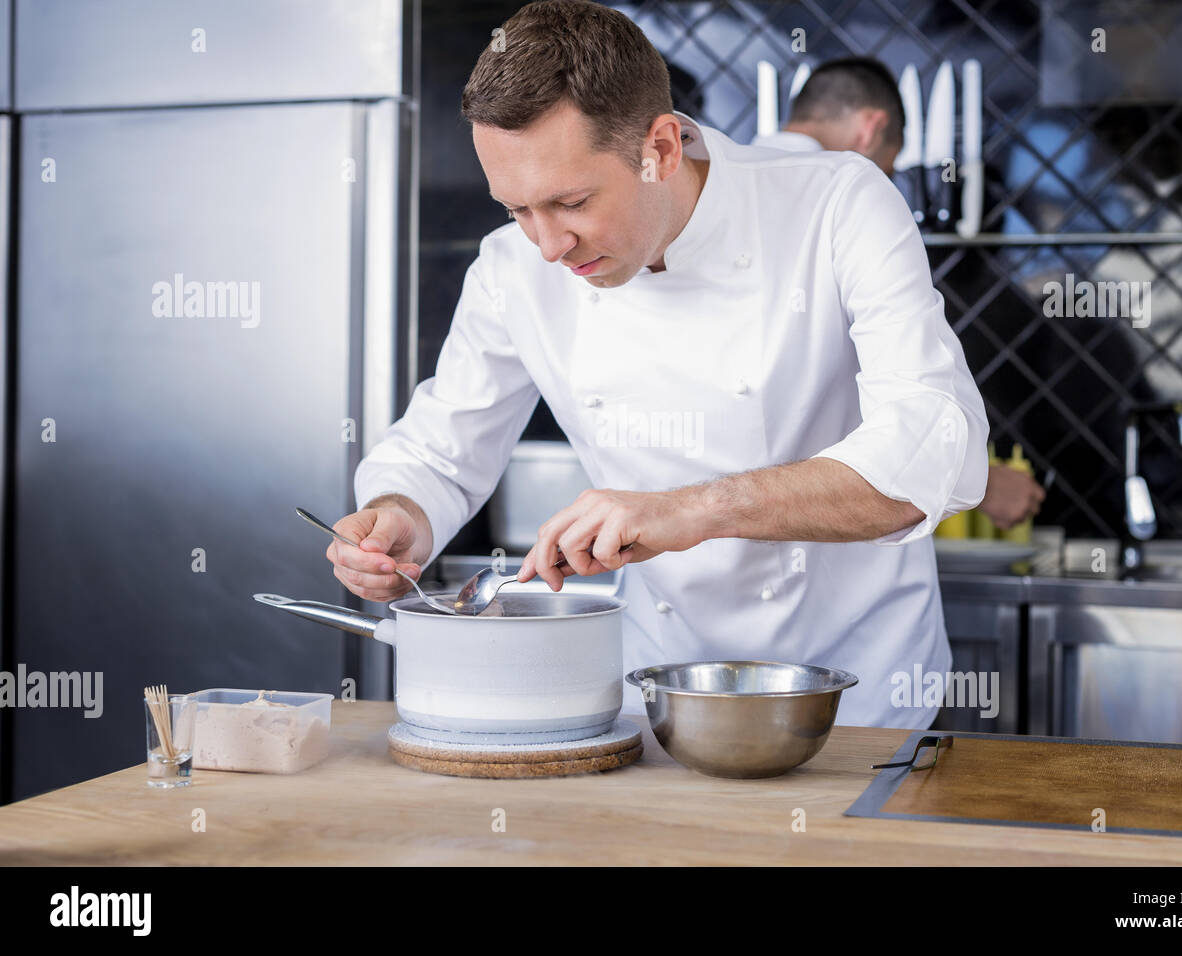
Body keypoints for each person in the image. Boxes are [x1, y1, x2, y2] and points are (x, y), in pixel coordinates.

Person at [329, 1, 990, 729]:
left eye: (571, 201)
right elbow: (440, 453)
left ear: (663, 149)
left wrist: (689, 510)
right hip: (654, 696)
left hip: (855, 699)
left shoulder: (838, 205)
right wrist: (399, 517)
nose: (548, 245)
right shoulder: (510, 270)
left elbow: (931, 451)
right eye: (517, 209)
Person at [754, 56, 1046, 531]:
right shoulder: (854, 195)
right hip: (849, 549)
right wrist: (983, 485)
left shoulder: (708, 188)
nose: (888, 181)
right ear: (872, 128)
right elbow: (898, 410)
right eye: (890, 167)